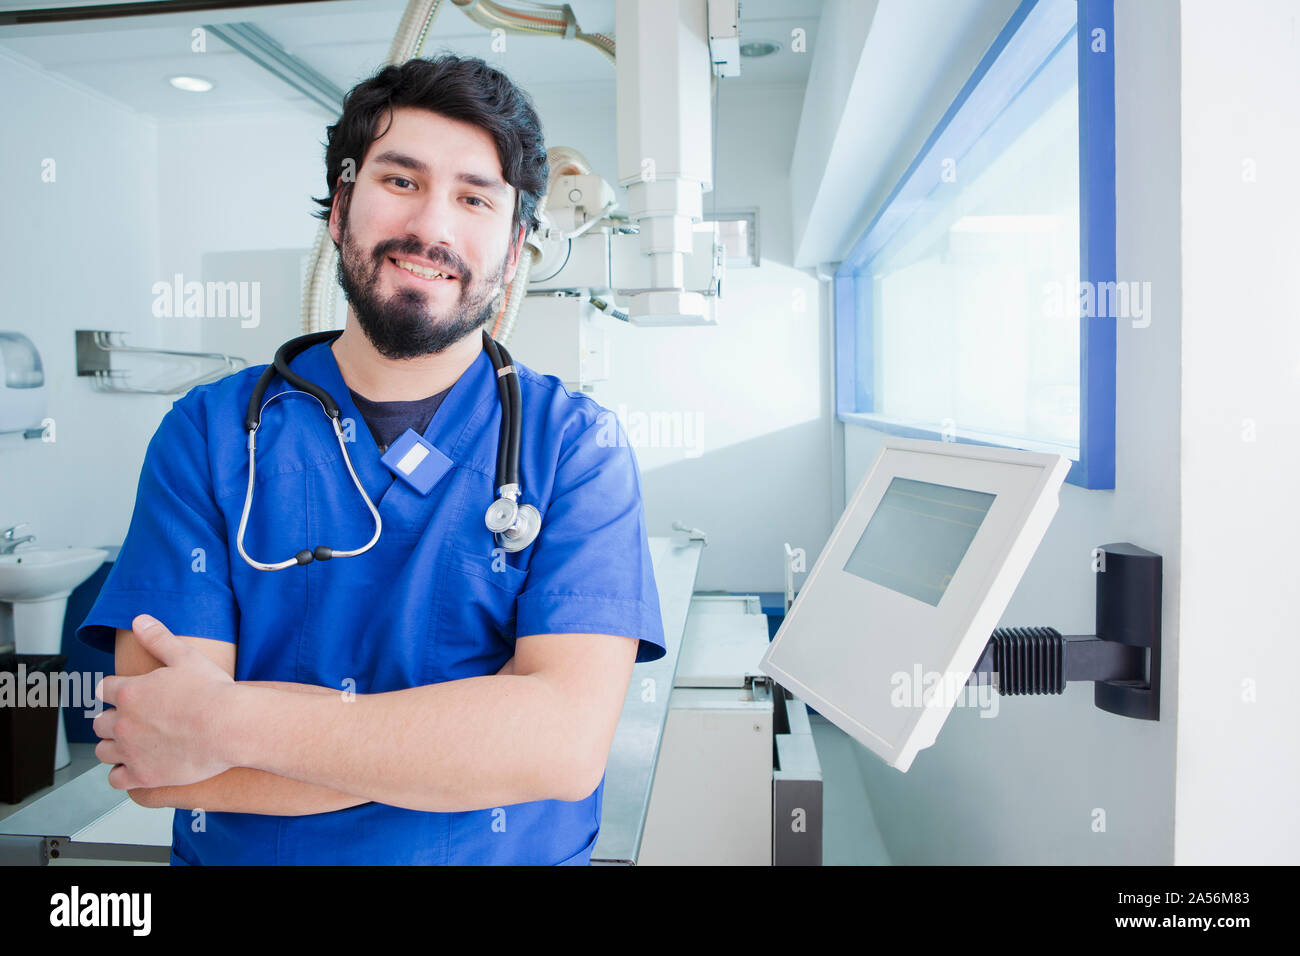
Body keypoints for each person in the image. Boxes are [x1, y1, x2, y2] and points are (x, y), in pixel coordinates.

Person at [77, 54, 666, 866]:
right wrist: (462, 744)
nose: (434, 227)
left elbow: (560, 750)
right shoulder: (208, 432)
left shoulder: (576, 447)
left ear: (517, 240)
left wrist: (225, 721)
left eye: (474, 198)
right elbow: (154, 756)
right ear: (340, 207)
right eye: (400, 181)